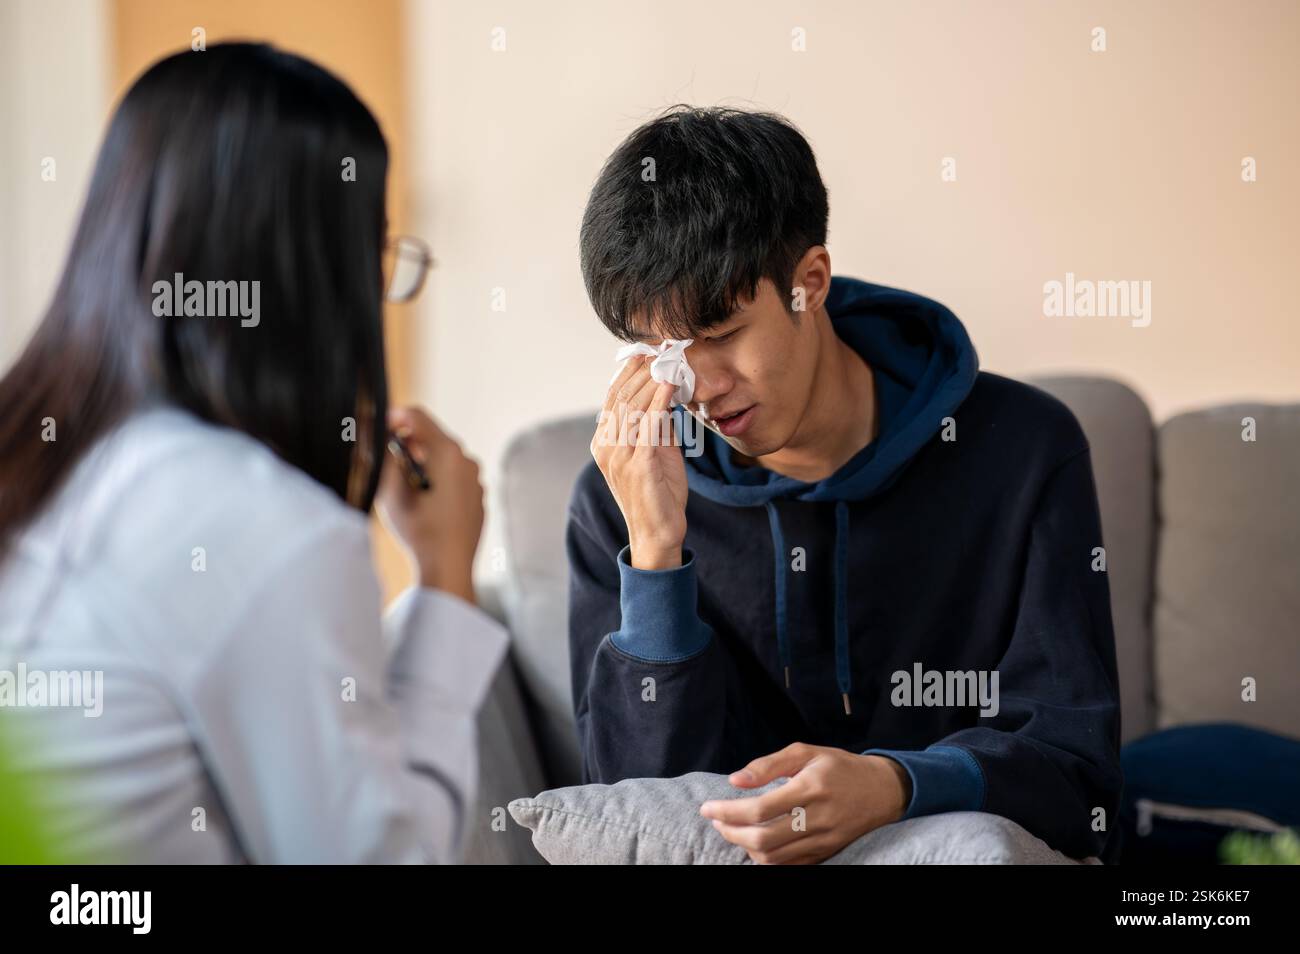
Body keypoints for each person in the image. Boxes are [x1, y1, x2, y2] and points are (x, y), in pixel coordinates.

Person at [568, 106, 1123, 864]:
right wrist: (658, 559)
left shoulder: (1023, 449)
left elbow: (1077, 772)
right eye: (663, 351)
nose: (698, 385)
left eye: (723, 334)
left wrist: (898, 785)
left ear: (809, 283)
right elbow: (638, 822)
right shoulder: (620, 497)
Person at [0, 44, 504, 863]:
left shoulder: (36, 456)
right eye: (373, 258)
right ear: (319, 277)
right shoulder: (262, 528)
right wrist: (446, 578)